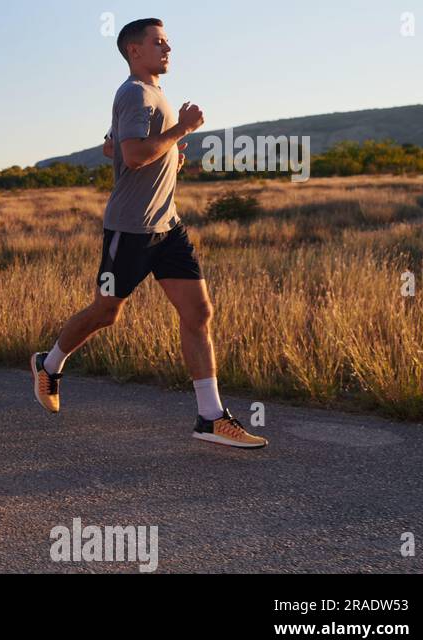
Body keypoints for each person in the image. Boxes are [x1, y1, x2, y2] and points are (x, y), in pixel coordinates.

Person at [28, 18, 267, 449]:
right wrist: (182, 131)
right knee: (106, 313)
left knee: (199, 314)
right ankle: (50, 362)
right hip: (131, 228)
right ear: (134, 51)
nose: (168, 48)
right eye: (159, 42)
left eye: (168, 42)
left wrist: (169, 150)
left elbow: (112, 146)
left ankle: (210, 417)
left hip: (168, 227)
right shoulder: (135, 92)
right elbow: (133, 154)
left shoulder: (153, 94)